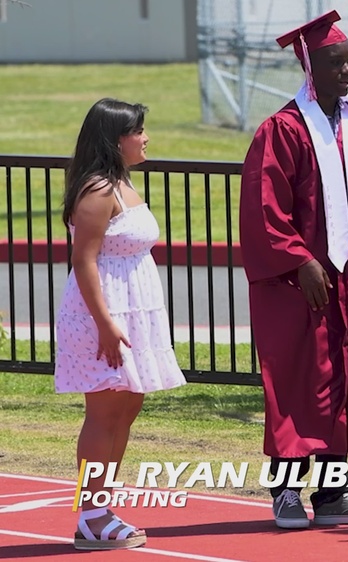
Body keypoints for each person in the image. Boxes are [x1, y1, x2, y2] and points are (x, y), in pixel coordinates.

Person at [239, 10, 348, 529]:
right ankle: (285, 491)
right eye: (336, 62)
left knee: (342, 379)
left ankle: (334, 494)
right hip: (298, 283)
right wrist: (300, 259)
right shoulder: (284, 130)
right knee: (298, 381)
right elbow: (265, 209)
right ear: (310, 65)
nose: (347, 71)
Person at [56, 98, 188, 550]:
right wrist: (106, 324)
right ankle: (90, 515)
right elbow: (84, 260)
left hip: (133, 312)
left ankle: (102, 504)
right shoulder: (97, 190)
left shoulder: (122, 184)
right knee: (105, 411)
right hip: (105, 315)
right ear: (117, 139)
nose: (146, 138)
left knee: (127, 408)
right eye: (139, 131)